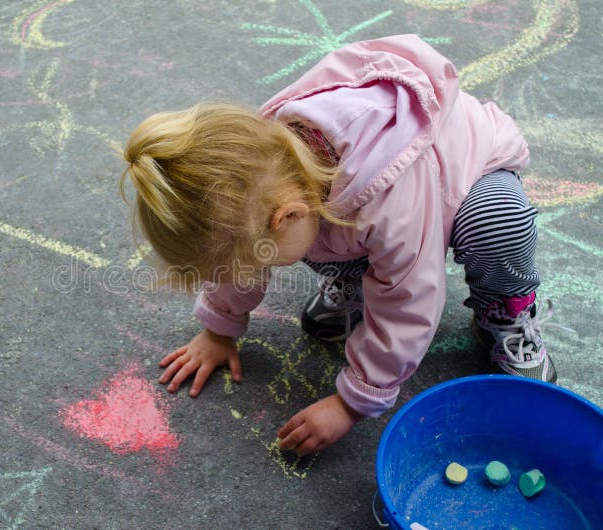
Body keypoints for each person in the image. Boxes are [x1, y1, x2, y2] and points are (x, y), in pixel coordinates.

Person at [121, 34, 556, 456]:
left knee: (497, 222)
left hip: (468, 171)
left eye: (251, 264)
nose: (250, 271)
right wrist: (220, 327)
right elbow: (234, 255)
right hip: (346, 209)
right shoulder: (261, 177)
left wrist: (352, 402)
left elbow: (409, 298)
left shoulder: (389, 205)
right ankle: (350, 280)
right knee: (305, 237)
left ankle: (505, 308)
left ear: (286, 215)